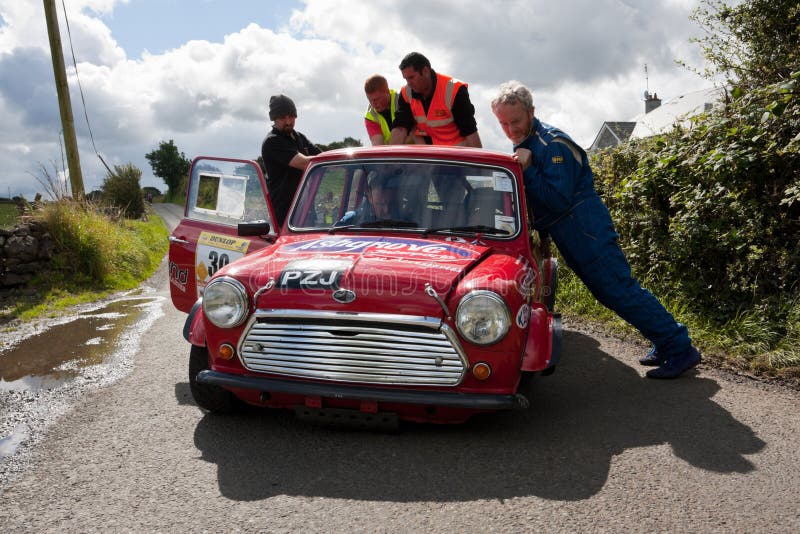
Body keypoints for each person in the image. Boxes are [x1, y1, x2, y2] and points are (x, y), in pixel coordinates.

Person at [490, 80, 701, 379]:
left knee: (618, 287)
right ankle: (666, 341)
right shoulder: (527, 142)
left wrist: (528, 169)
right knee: (609, 291)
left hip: (583, 225)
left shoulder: (553, 143)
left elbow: (557, 199)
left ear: (531, 112)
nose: (511, 130)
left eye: (516, 121)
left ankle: (679, 347)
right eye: (503, 124)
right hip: (570, 229)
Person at [387, 52, 482, 147]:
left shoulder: (454, 90)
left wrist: (477, 160)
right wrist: (389, 159)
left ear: (425, 71)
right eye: (406, 79)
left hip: (457, 156)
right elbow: (400, 128)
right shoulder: (406, 93)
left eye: (411, 77)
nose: (409, 83)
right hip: (431, 157)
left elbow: (470, 132)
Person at [261, 94, 321, 228]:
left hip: (306, 210)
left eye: (291, 116)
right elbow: (305, 163)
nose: (288, 121)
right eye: (283, 118)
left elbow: (321, 155)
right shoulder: (273, 141)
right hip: (285, 215)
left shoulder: (299, 137)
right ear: (274, 119)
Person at [363, 74, 402, 145]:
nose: (373, 104)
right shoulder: (370, 116)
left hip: (413, 154)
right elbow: (377, 145)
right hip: (391, 155)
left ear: (387, 91)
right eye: (370, 100)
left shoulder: (402, 101)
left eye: (376, 99)